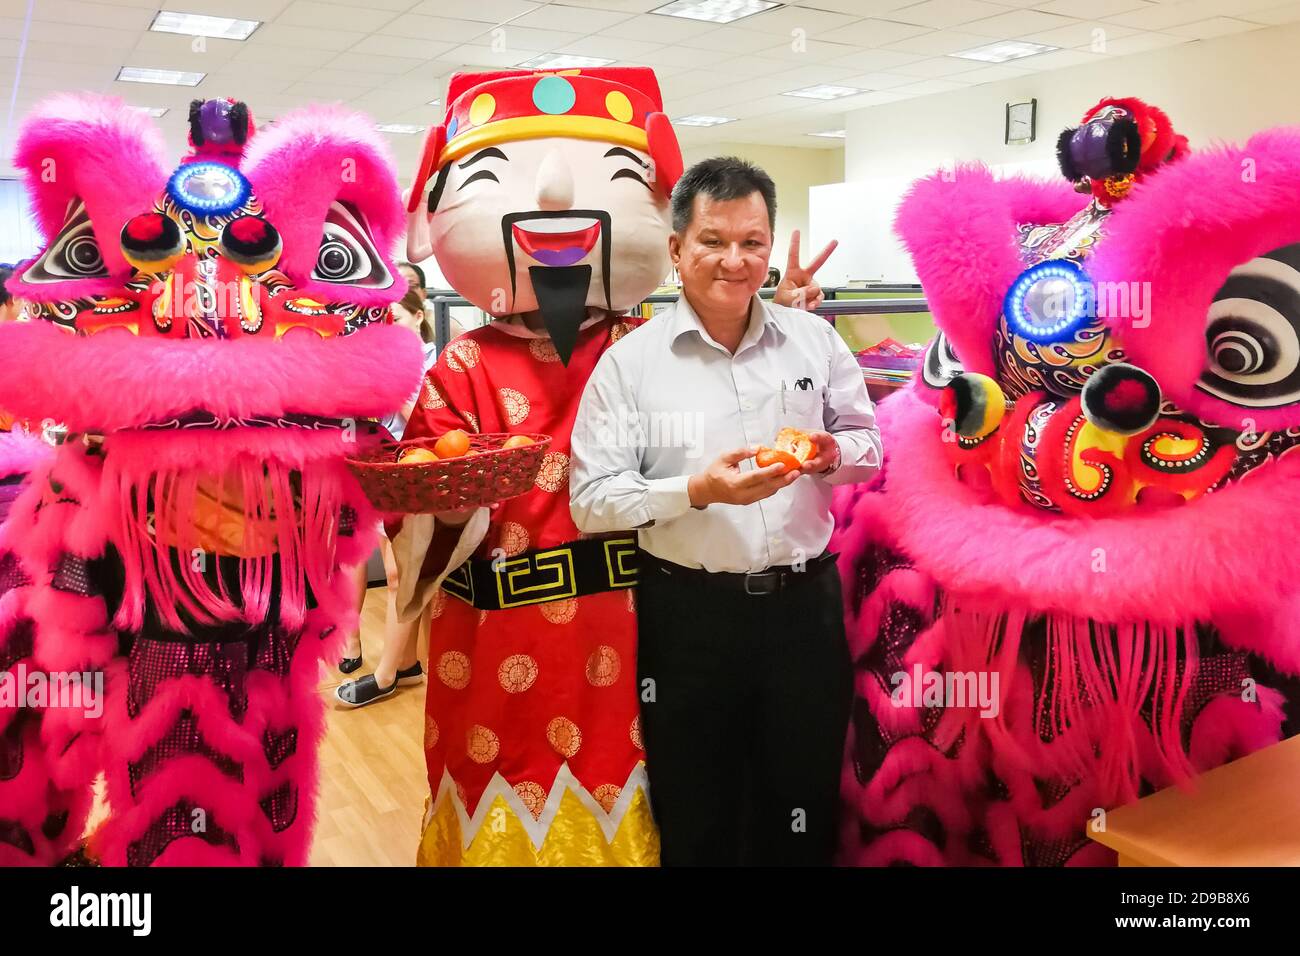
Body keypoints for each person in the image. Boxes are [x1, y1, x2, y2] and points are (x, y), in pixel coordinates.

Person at [569, 156, 882, 866]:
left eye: (752, 241)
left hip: (805, 609)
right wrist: (694, 492)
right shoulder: (631, 363)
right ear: (676, 248)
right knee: (695, 800)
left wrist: (829, 453)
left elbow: (870, 444)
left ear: (770, 248)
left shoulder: (815, 340)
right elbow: (591, 501)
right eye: (713, 240)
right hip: (689, 617)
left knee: (801, 797)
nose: (734, 260)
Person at [334, 285, 439, 699]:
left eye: (394, 319)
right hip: (378, 474)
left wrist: (397, 393)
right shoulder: (378, 364)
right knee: (384, 569)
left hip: (416, 479)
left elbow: (431, 429)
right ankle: (405, 663)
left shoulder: (437, 363)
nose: (387, 329)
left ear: (418, 316)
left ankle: (386, 674)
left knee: (401, 575)